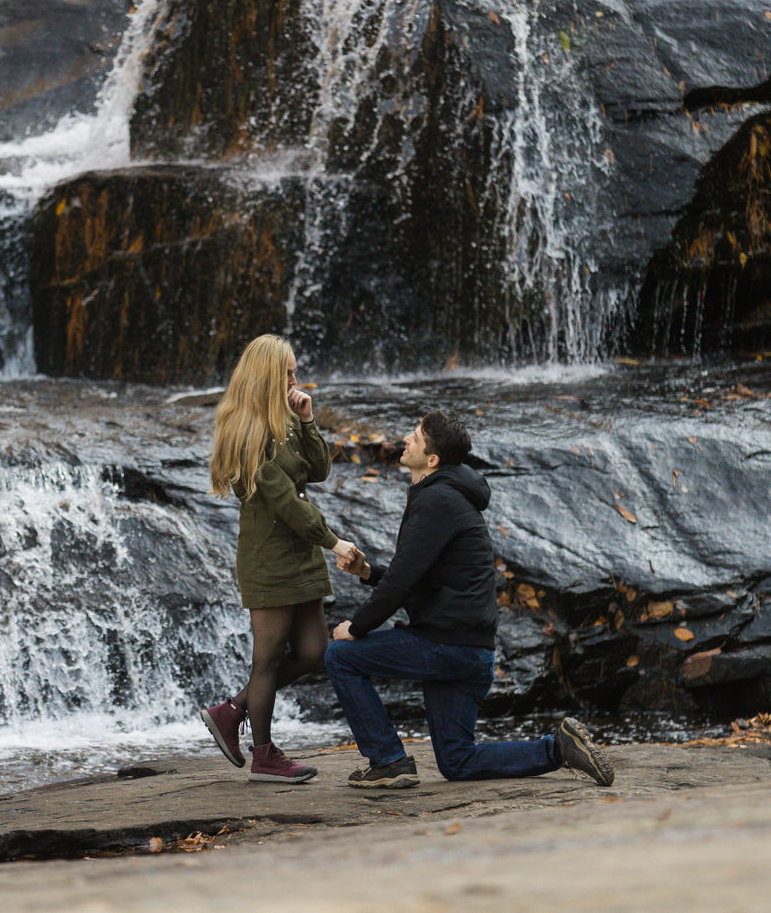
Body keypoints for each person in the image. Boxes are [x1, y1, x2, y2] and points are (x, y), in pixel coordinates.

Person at [324, 410, 614, 789]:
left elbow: (403, 580)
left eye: (415, 436)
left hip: (447, 645)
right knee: (457, 761)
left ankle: (388, 761)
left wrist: (357, 627)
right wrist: (367, 573)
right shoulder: (445, 494)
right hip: (468, 650)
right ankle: (560, 749)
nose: (406, 439)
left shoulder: (437, 500)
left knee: (341, 656)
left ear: (432, 459)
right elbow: (418, 575)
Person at [200, 334, 364, 783]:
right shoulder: (247, 432)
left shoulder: (286, 418)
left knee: (314, 652)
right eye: (288, 373)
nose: (295, 380)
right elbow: (286, 502)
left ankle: (231, 711)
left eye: (295, 371)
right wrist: (334, 542)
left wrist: (308, 420)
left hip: (300, 552)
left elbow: (319, 471)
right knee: (267, 659)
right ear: (267, 375)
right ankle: (264, 756)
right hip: (269, 556)